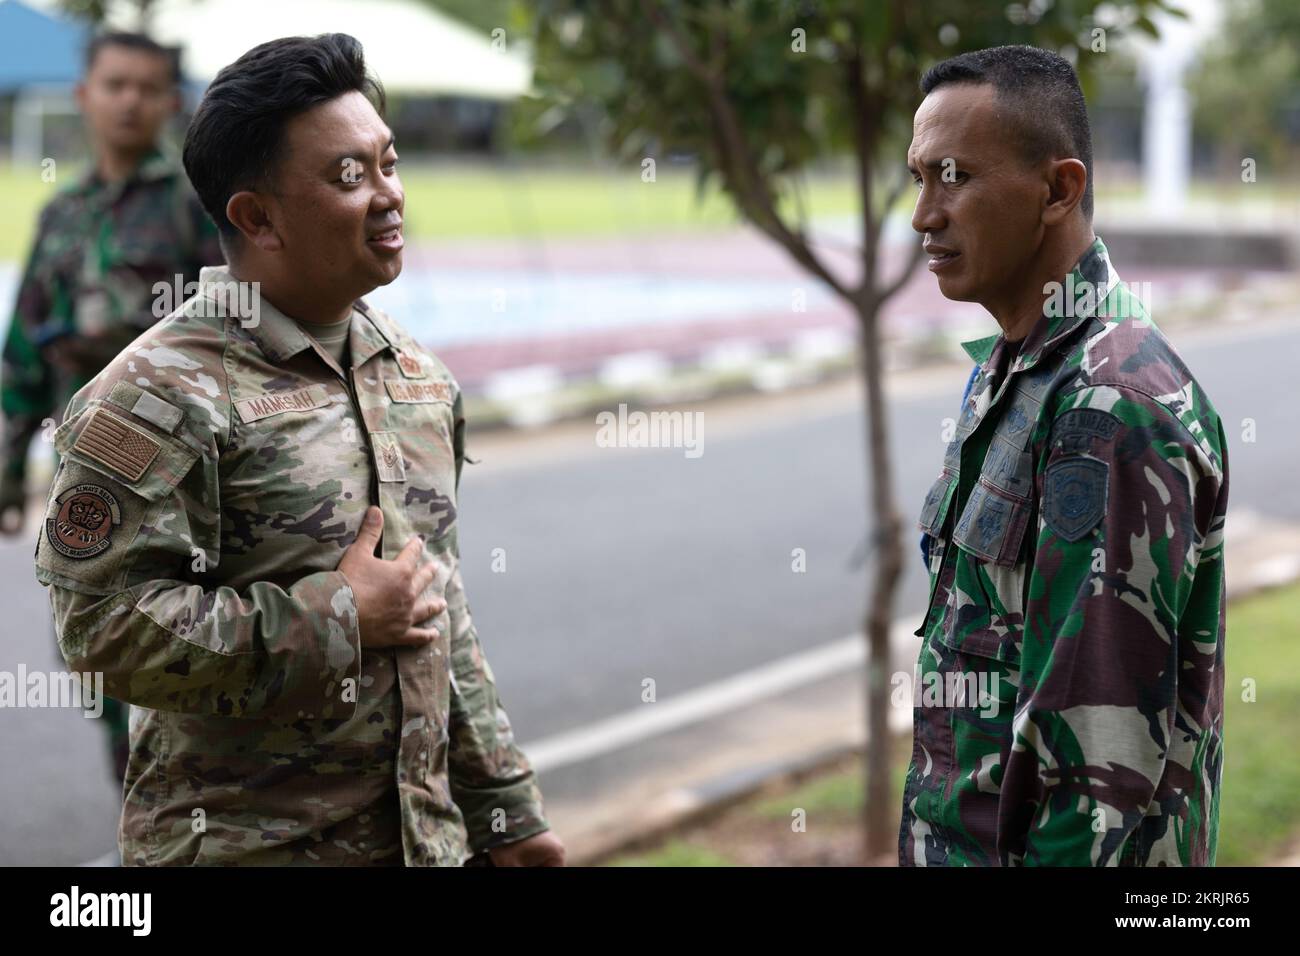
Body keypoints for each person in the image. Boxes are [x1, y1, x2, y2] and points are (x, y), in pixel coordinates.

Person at [34, 32, 563, 867]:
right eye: (349, 176)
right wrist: (337, 617)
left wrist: (504, 806)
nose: (388, 195)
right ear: (256, 217)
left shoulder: (417, 377)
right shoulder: (155, 397)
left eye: (388, 163)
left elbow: (438, 609)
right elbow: (99, 630)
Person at [899, 45, 1228, 866]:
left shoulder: (1110, 407)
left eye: (955, 178)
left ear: (1059, 189)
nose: (924, 216)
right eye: (919, 179)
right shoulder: (1014, 368)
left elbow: (1097, 782)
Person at [1, 31, 222, 783]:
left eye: (146, 87)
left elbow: (237, 330)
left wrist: (129, 340)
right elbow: (21, 355)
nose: (129, 100)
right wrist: (5, 473)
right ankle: (142, 828)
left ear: (172, 102)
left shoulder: (198, 207)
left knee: (184, 655)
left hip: (181, 483)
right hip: (85, 479)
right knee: (98, 653)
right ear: (84, 96)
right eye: (114, 84)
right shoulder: (61, 215)